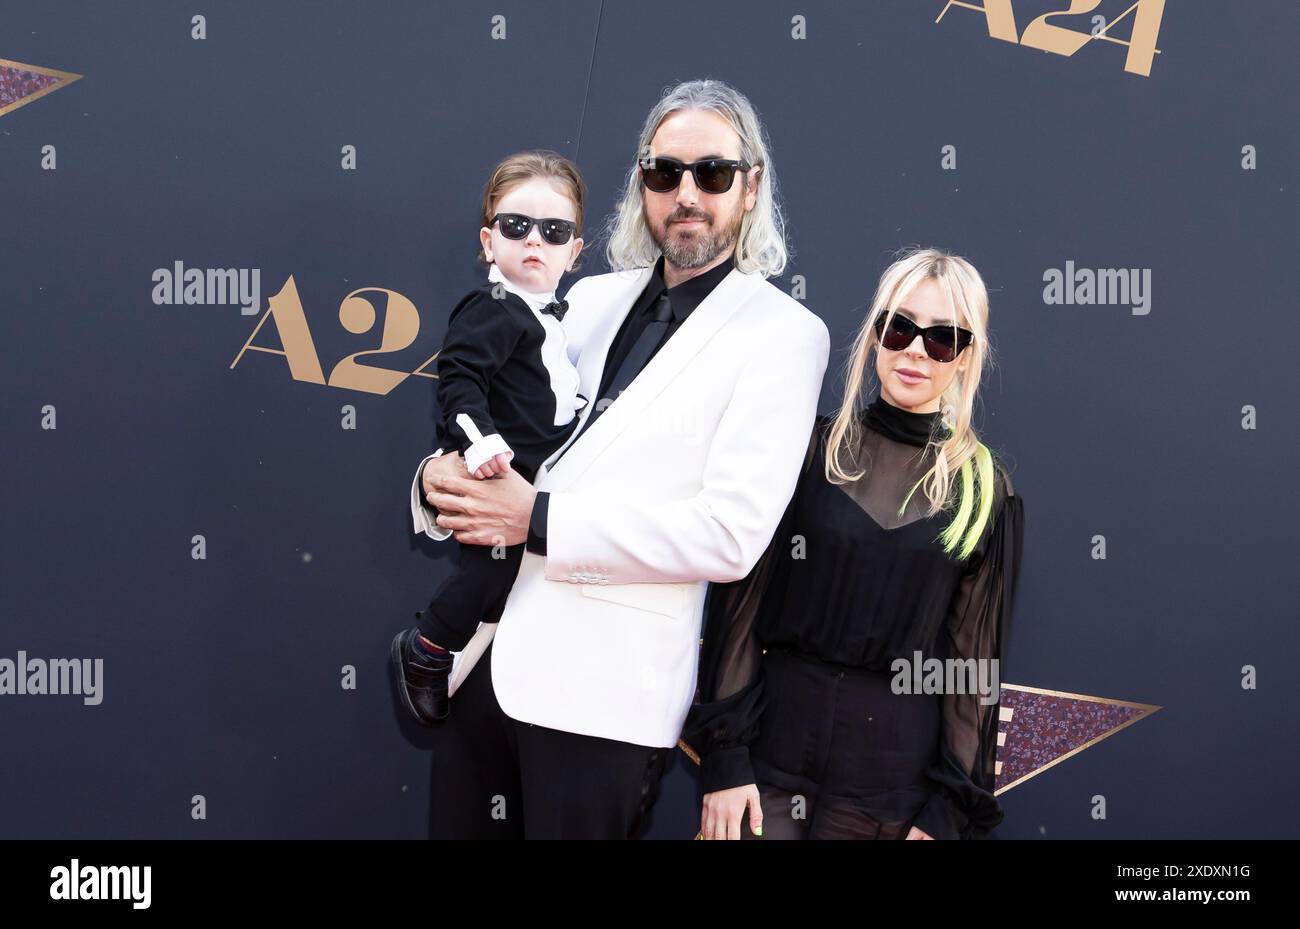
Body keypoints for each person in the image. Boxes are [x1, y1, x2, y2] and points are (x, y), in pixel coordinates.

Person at [411, 79, 829, 838]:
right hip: (489, 667)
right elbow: (509, 421)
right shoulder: (587, 297)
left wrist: (537, 519)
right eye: (665, 172)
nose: (687, 194)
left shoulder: (785, 335)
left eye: (713, 173)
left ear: (752, 184)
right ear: (643, 183)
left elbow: (727, 534)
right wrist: (434, 481)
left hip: (604, 699)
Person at [682, 247, 1025, 840]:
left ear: (966, 357)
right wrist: (725, 759)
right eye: (901, 328)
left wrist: (946, 816)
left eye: (943, 338)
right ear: (875, 336)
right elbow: (739, 609)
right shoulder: (806, 451)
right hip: (769, 758)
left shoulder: (983, 489)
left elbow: (971, 668)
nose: (916, 350)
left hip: (889, 784)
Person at [392, 151, 587, 726]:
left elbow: (559, 394)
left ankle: (453, 656)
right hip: (500, 473)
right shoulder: (490, 307)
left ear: (574, 252)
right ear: (488, 240)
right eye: (515, 226)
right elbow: (460, 383)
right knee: (486, 573)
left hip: (540, 485)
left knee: (504, 581)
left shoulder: (554, 317)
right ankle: (426, 649)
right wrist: (480, 447)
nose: (533, 241)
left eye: (553, 232)